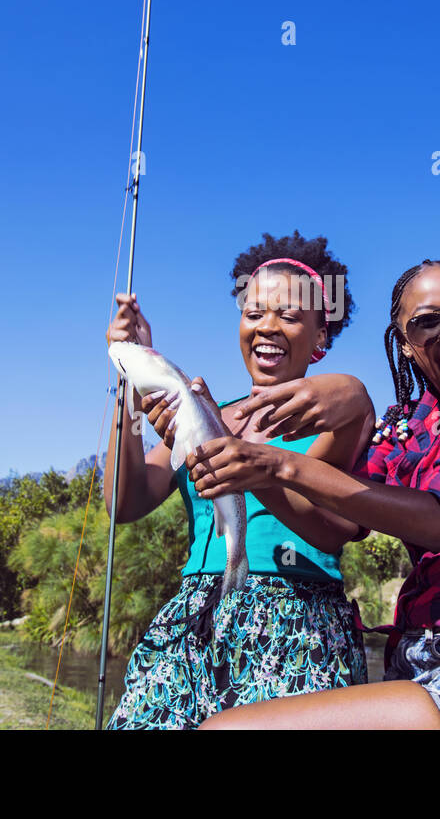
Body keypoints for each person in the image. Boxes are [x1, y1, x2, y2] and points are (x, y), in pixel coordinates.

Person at [183, 259, 440, 729]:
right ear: (404, 344)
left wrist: (283, 460)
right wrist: (261, 474)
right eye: (427, 323)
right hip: (416, 667)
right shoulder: (408, 424)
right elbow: (331, 527)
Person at [103, 232, 376, 729]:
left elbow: (330, 528)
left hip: (297, 622)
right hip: (193, 618)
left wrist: (254, 467)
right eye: (253, 314)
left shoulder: (340, 413)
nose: (267, 326)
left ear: (321, 338)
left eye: (289, 316)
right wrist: (130, 380)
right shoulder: (209, 415)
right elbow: (126, 502)